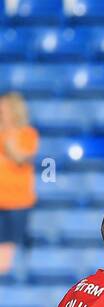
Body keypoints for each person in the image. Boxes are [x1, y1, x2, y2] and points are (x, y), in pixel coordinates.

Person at [0, 92, 38, 276]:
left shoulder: (27, 134)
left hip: (17, 202)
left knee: (10, 249)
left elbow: (19, 157)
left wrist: (7, 137)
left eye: (4, 109)